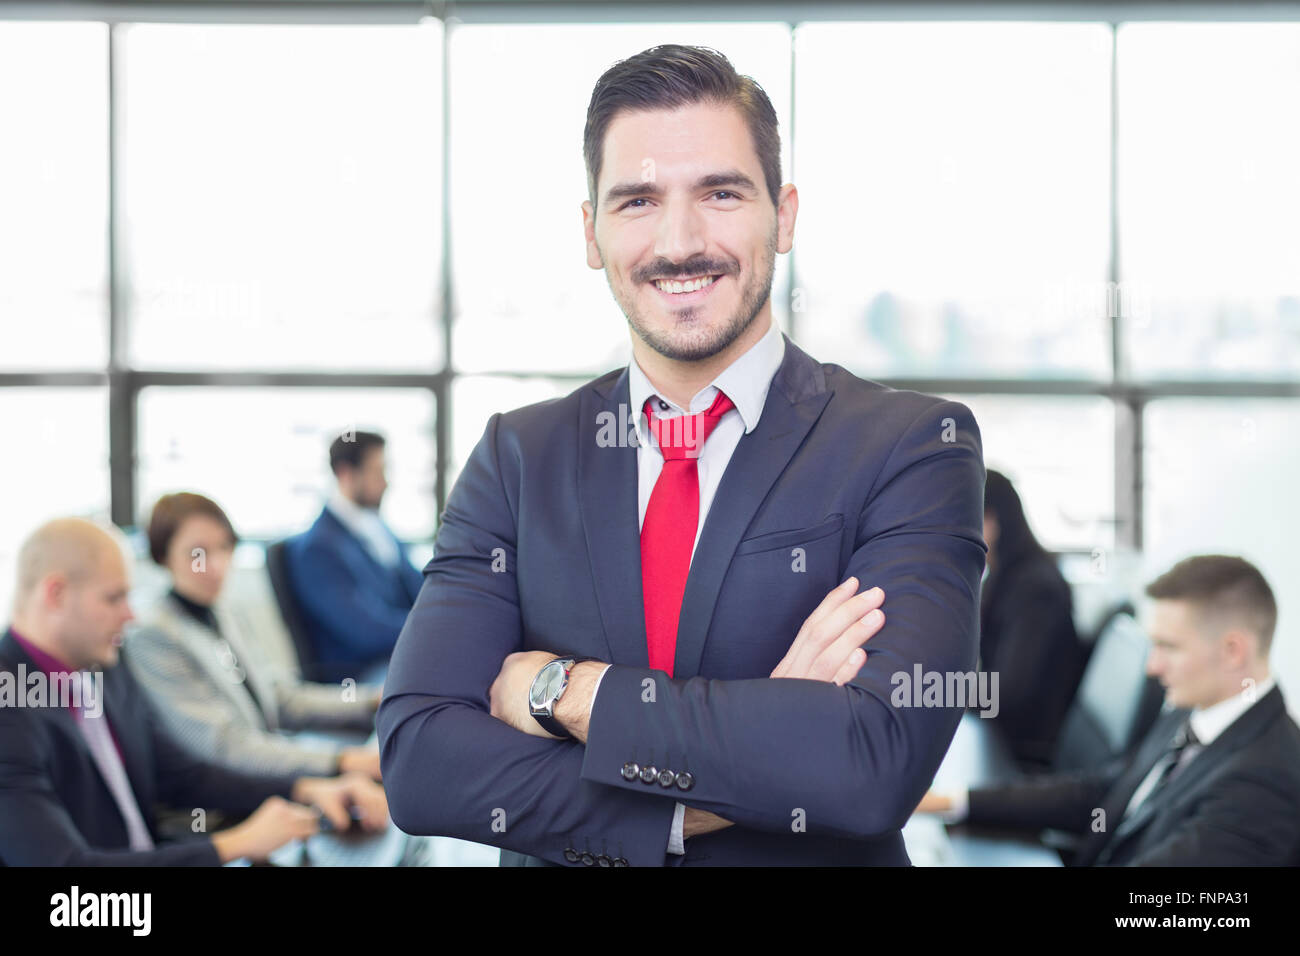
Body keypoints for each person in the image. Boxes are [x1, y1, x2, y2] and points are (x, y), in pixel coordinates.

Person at [377, 44, 987, 867]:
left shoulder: (909, 447)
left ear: (786, 215)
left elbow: (869, 765)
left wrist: (562, 691)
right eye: (636, 201)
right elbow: (422, 764)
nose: (679, 241)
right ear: (591, 233)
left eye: (721, 193)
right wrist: (758, 744)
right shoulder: (518, 458)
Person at [0, 518, 388, 866]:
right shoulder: (11, 703)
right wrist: (232, 845)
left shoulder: (102, 666)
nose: (130, 615)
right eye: (114, 598)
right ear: (55, 594)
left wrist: (307, 789)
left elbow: (181, 774)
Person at [917, 555, 1300, 866]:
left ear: (1233, 651)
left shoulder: (1265, 779)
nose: (1152, 667)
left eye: (1169, 647)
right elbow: (1103, 793)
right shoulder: (1196, 711)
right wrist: (954, 801)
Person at [125, 492, 382, 780]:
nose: (217, 566)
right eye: (198, 553)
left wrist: (371, 701)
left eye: (224, 547)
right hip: (225, 801)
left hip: (268, 770)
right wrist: (342, 761)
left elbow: (277, 698)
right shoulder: (155, 635)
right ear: (163, 556)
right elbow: (225, 746)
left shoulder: (223, 614)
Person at [284, 430, 424, 683]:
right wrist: (433, 627)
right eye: (377, 472)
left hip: (396, 656)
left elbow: (420, 588)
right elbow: (365, 632)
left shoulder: (378, 529)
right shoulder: (319, 548)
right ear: (346, 474)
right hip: (359, 675)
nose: (386, 482)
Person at [979, 469, 1088, 767]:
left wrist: (931, 692)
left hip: (1022, 747)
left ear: (993, 521)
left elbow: (1008, 693)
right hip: (1005, 733)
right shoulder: (1003, 575)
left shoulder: (1033, 588)